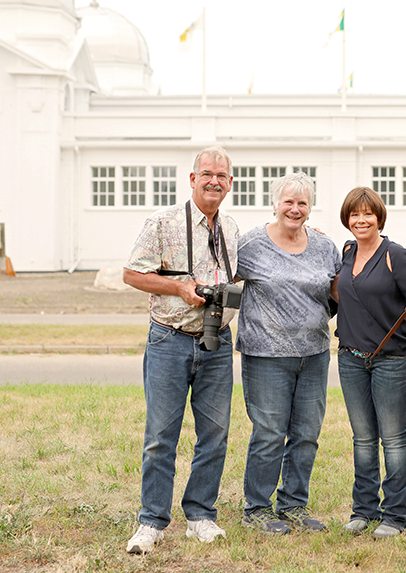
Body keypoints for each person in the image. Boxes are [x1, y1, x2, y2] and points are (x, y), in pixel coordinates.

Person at [122, 146, 239, 555]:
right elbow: (131, 273)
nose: (214, 181)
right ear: (192, 179)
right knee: (160, 436)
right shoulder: (162, 222)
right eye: (207, 174)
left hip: (218, 344)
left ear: (229, 183)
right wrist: (178, 287)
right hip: (169, 339)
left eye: (222, 176)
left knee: (215, 434)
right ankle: (151, 521)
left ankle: (201, 515)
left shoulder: (232, 229)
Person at [235, 172, 340, 534]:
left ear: (310, 208)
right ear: (275, 204)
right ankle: (257, 510)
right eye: (289, 202)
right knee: (268, 432)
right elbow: (218, 274)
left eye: (302, 203)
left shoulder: (325, 247)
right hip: (265, 356)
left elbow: (340, 292)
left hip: (314, 354)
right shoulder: (251, 245)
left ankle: (294, 505)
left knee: (307, 433)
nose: (295, 209)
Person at [335, 187, 406, 539]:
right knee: (363, 439)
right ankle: (363, 510)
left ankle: (395, 516)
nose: (361, 220)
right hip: (351, 359)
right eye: (355, 214)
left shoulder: (395, 255)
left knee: (393, 440)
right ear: (347, 219)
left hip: (393, 361)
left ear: (379, 217)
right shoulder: (347, 251)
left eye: (368, 214)